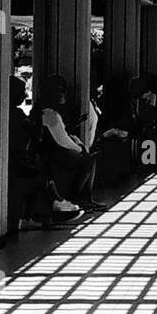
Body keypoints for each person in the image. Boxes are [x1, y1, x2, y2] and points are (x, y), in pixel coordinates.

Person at [8, 77, 80, 229]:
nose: (24, 97)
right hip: (16, 160)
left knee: (43, 172)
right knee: (40, 175)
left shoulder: (11, 113)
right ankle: (45, 210)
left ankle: (54, 204)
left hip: (17, 157)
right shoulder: (18, 114)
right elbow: (35, 133)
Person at [35, 74, 104, 214]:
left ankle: (84, 198)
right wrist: (80, 148)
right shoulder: (50, 115)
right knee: (88, 161)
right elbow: (63, 141)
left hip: (51, 152)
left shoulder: (46, 112)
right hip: (53, 154)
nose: (64, 94)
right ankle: (80, 197)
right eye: (61, 91)